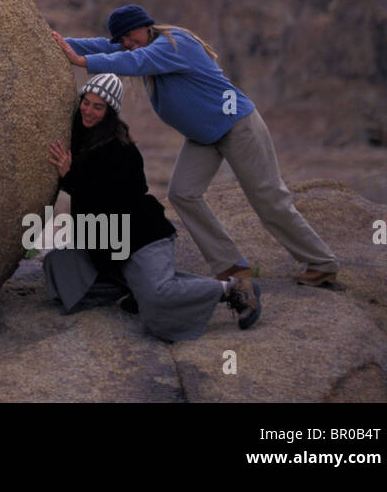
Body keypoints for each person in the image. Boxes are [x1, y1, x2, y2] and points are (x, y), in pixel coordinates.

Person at [52, 4, 340, 286]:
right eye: (123, 39)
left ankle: (322, 263)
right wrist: (58, 42)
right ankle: (232, 266)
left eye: (131, 35)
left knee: (268, 199)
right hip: (204, 137)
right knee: (182, 193)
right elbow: (105, 46)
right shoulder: (139, 48)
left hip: (238, 125)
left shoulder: (174, 44)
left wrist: (82, 63)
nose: (128, 43)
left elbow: (135, 62)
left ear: (146, 26)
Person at [43, 73, 262, 340]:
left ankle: (232, 289)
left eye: (97, 106)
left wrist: (71, 176)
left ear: (109, 111)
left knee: (158, 297)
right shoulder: (80, 136)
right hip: (107, 246)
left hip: (140, 239)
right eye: (85, 103)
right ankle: (134, 287)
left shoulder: (122, 152)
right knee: (58, 266)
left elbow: (111, 204)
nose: (88, 111)